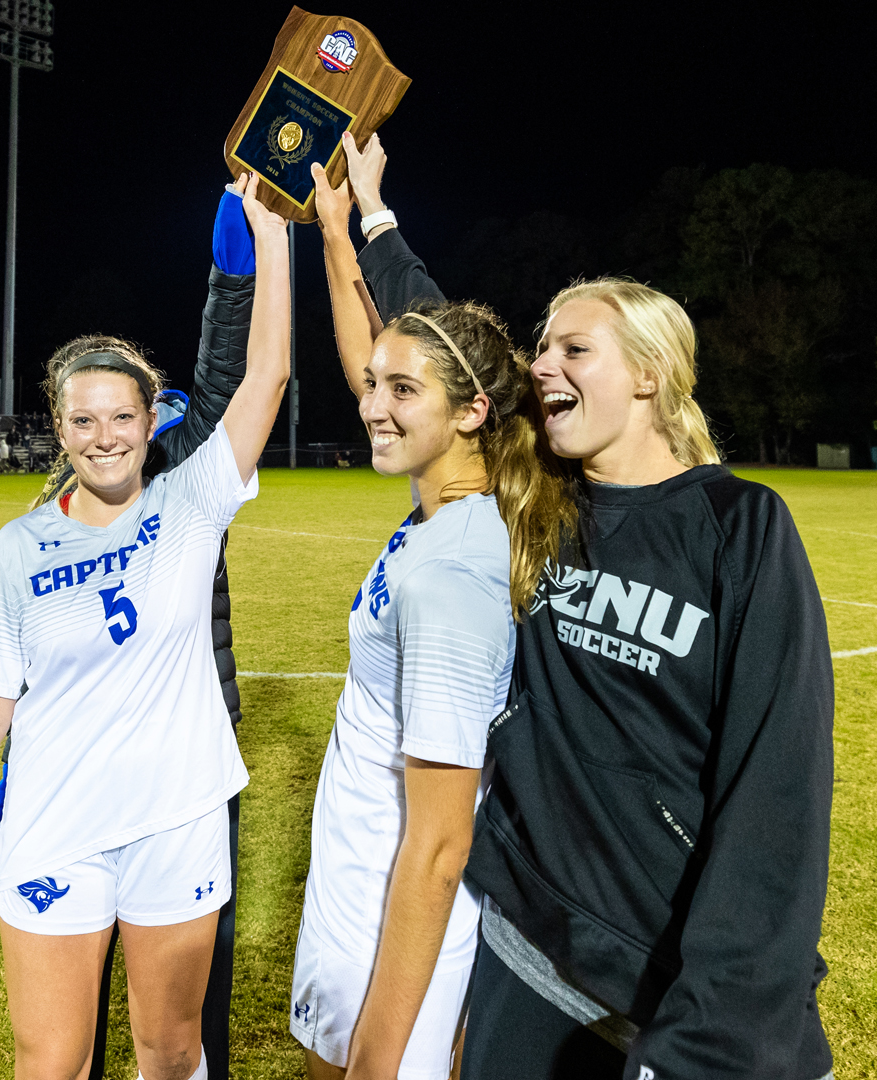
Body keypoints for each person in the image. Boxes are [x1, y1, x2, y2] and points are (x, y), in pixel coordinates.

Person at [342, 132, 837, 1080]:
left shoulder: (740, 527)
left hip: (669, 987)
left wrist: (718, 1027)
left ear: (648, 373)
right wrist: (374, 215)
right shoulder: (540, 497)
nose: (544, 366)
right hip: (528, 947)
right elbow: (441, 340)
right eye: (540, 350)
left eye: (576, 348)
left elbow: (778, 791)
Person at [0, 173, 290, 1080]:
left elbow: (263, 374)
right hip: (54, 829)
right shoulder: (17, 548)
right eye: (83, 420)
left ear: (154, 421)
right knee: (55, 1064)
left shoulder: (193, 503)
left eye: (121, 417)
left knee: (170, 1050)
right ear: (59, 429)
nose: (104, 436)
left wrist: (274, 238)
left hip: (177, 822)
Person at [280, 163, 567, 1080]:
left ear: (473, 410)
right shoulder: (445, 513)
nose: (370, 406)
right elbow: (384, 357)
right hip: (357, 889)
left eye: (402, 393)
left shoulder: (453, 575)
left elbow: (442, 845)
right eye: (374, 386)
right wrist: (336, 230)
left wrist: (379, 1053)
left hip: (388, 921)